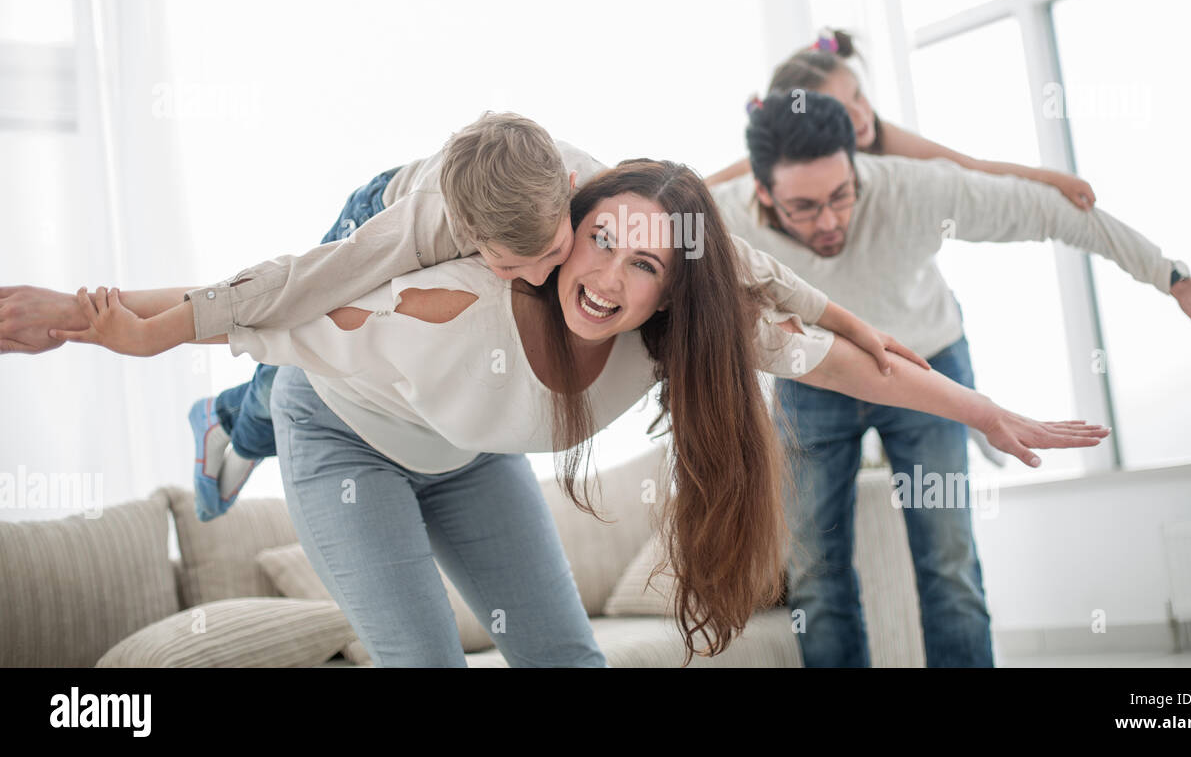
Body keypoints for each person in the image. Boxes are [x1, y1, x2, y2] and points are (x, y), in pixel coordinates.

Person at [55, 160, 1111, 667]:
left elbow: (855, 366)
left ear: (670, 291)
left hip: (465, 455)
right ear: (570, 224)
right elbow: (277, 298)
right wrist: (91, 314)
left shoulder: (675, 330)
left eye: (644, 263)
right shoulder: (459, 285)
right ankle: (232, 427)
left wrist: (983, 407)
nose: (606, 273)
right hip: (339, 428)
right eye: (600, 237)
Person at [0, 112, 922, 520]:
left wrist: (844, 317)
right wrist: (137, 328)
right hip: (375, 216)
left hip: (501, 188)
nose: (553, 273)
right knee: (305, 356)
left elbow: (737, 260)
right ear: (473, 242)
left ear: (572, 196)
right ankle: (229, 435)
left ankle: (239, 428)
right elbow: (284, 293)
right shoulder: (415, 231)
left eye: (553, 248)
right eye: (508, 267)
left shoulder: (601, 194)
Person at [710, 88, 1191, 668]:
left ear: (857, 167)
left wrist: (1174, 277)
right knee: (813, 568)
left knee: (947, 558)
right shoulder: (724, 218)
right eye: (805, 207)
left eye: (841, 195)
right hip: (815, 379)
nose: (829, 220)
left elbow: (1052, 212)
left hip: (927, 367)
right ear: (762, 193)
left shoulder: (919, 189)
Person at [705, 28, 1098, 212]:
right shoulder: (782, 163)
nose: (861, 116)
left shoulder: (881, 136)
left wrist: (1054, 179)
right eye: (842, 110)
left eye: (858, 96)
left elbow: (972, 167)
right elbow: (703, 190)